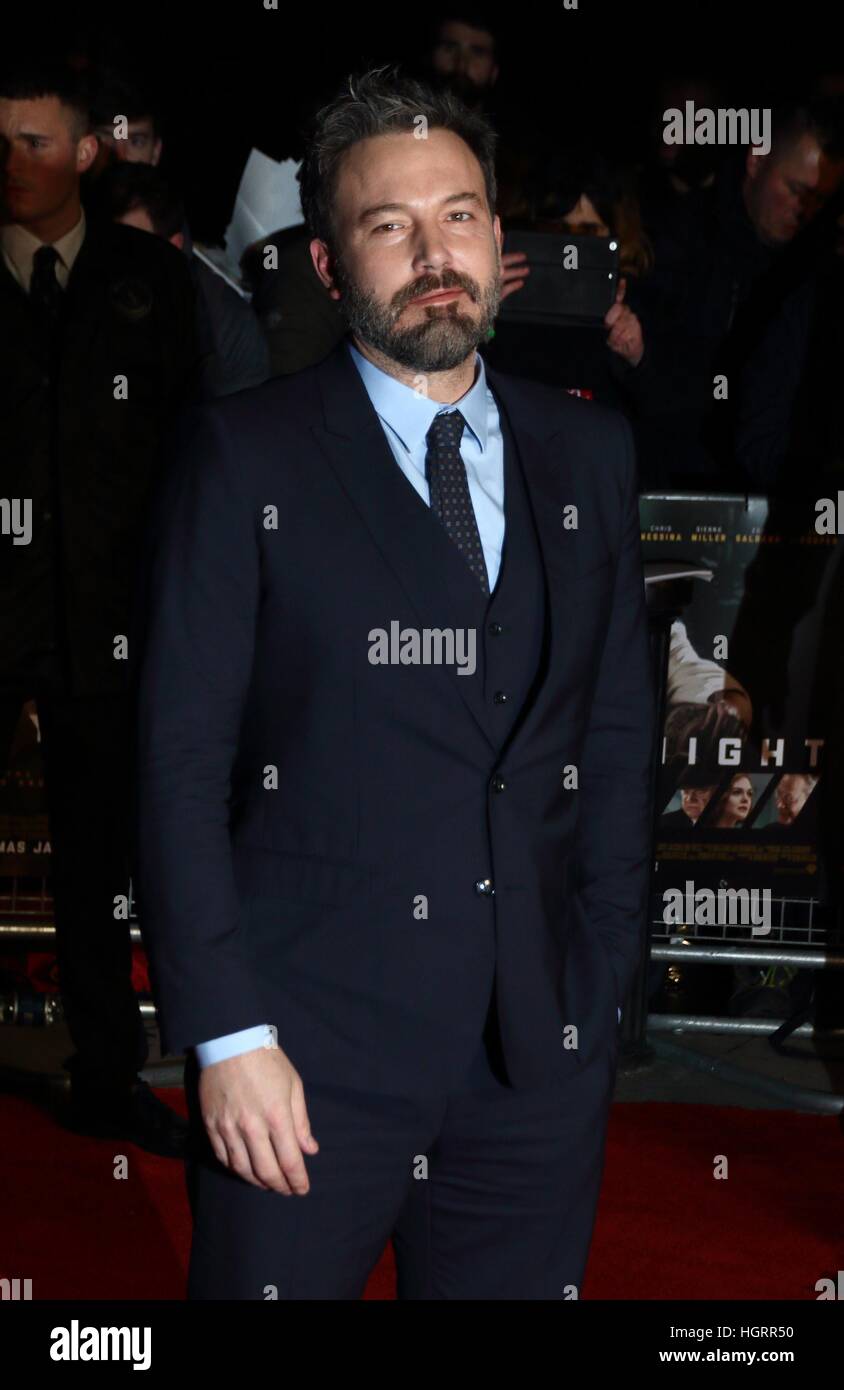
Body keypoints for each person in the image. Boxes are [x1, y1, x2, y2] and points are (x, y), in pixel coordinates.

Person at [136, 66, 656, 1301]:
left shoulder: (589, 450)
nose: (435, 254)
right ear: (328, 265)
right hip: (301, 1063)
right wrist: (228, 1035)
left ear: (496, 237)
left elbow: (619, 732)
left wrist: (600, 979)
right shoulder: (241, 454)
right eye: (389, 226)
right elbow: (176, 764)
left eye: (459, 215)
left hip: (533, 1066)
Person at [0, 59, 198, 1156]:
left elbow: (187, 447)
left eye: (34, 140)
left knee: (95, 864)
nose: (14, 164)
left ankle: (109, 1073)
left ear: (87, 150)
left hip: (107, 619)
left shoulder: (144, 278)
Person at [98, 162, 270, 397]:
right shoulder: (85, 290)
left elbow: (237, 423)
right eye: (110, 244)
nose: (119, 259)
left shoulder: (222, 327)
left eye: (135, 246)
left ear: (174, 247)